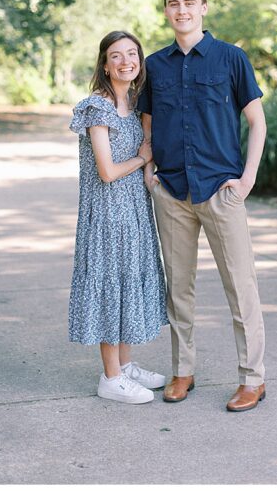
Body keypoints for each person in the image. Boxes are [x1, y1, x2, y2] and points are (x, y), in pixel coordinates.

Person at [138, 0, 269, 413]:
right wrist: (150, 170)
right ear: (166, 10)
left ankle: (252, 379)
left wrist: (247, 179)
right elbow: (149, 124)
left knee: (240, 286)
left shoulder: (231, 59)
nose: (182, 10)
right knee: (180, 288)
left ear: (204, 7)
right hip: (172, 191)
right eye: (174, 3)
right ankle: (182, 371)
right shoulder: (154, 65)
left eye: (189, 2)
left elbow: (256, 122)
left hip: (220, 191)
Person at [69, 30, 169, 405]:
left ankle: (125, 367)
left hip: (134, 210)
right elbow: (107, 171)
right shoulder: (98, 106)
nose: (126, 61)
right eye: (116, 55)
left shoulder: (134, 104)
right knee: (112, 285)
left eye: (132, 54)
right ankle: (110, 377)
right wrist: (144, 158)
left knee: (129, 283)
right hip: (108, 213)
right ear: (104, 64)